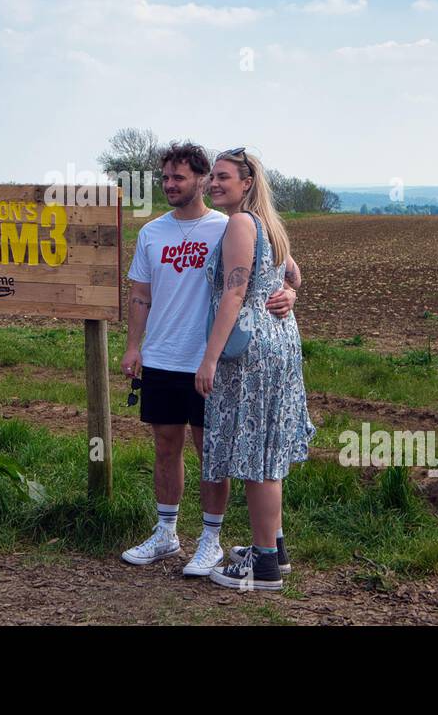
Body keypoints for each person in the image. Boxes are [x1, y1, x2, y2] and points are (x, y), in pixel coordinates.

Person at [120, 143, 296, 576]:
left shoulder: (229, 224)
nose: (169, 186)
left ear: (201, 180)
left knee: (210, 452)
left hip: (209, 361)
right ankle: (166, 533)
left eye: (178, 178)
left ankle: (210, 540)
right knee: (165, 445)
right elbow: (140, 294)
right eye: (164, 178)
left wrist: (289, 294)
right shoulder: (151, 233)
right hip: (162, 356)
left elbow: (284, 268)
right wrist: (133, 346)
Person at [195, 147, 315, 590]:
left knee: (254, 452)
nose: (214, 184)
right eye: (212, 177)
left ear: (246, 183)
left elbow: (233, 293)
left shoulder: (241, 224)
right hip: (280, 342)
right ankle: (275, 549)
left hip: (251, 353)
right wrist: (287, 292)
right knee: (267, 447)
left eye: (224, 177)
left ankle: (262, 565)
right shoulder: (268, 224)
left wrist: (209, 358)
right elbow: (295, 276)